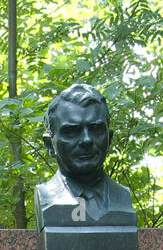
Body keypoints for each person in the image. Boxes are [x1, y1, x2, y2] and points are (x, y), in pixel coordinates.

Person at [33, 83, 135, 226]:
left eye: (95, 129)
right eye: (72, 132)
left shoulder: (122, 198)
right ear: (50, 144)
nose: (86, 140)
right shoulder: (47, 198)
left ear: (109, 138)